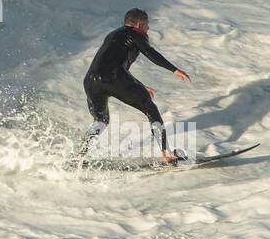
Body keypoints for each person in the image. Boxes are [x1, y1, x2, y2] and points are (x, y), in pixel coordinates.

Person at [80, 8, 191, 164]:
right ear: (139, 24)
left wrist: (141, 85)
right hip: (113, 78)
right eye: (147, 26)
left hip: (91, 81)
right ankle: (166, 154)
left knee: (100, 120)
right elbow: (150, 53)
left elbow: (116, 66)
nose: (148, 29)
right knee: (150, 109)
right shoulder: (135, 34)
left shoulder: (113, 35)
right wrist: (174, 70)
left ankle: (79, 156)